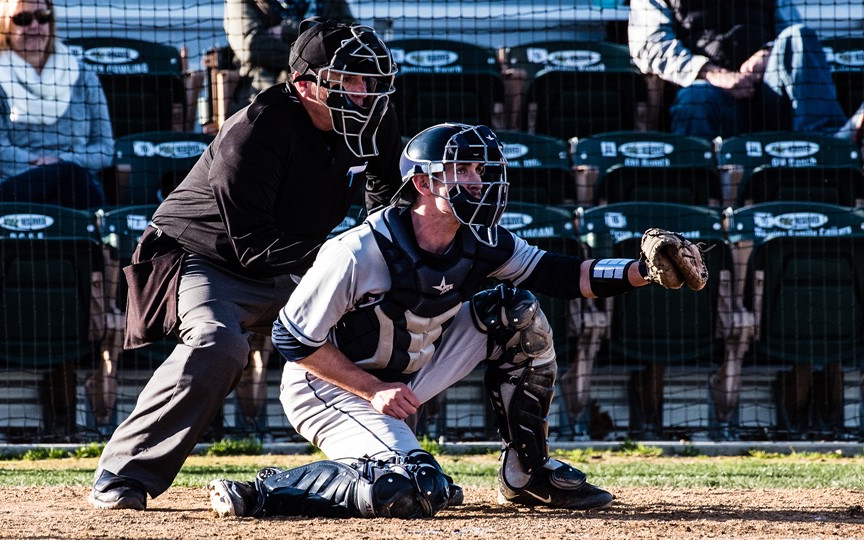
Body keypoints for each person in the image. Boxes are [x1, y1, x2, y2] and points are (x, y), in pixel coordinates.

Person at [207, 123, 708, 518]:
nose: (478, 180)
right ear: (423, 182)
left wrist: (643, 271)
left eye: (481, 170)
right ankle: (263, 491)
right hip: (331, 385)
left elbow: (560, 275)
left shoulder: (481, 238)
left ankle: (527, 472)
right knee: (413, 491)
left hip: (409, 373)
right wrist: (370, 389)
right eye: (463, 170)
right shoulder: (358, 250)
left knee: (515, 311)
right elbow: (291, 339)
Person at [88, 20, 401, 510]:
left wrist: (380, 261)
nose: (365, 93)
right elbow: (253, 243)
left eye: (371, 80)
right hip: (206, 256)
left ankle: (388, 463)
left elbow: (387, 194)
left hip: (295, 260)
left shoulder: (373, 118)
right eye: (350, 80)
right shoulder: (256, 130)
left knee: (382, 314)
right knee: (220, 343)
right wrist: (338, 263)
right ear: (305, 85)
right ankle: (123, 473)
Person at [628, 0, 861, 141]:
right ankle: (705, 202)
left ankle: (829, 145)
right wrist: (710, 73)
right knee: (696, 98)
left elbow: (788, 26)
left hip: (767, 90)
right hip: (705, 90)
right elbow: (649, 45)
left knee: (799, 36)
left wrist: (768, 53)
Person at [0, 0, 113, 209]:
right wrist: (40, 166)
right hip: (8, 185)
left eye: (42, 16)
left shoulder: (83, 75)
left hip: (77, 186)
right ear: (2, 26)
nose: (35, 25)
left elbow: (105, 149)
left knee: (70, 177)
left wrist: (62, 161)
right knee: (69, 175)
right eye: (23, 19)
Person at [224, 1, 354, 114]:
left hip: (326, 94)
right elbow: (250, 46)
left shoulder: (330, 2)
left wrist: (284, 30)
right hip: (262, 94)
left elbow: (352, 38)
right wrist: (317, 45)